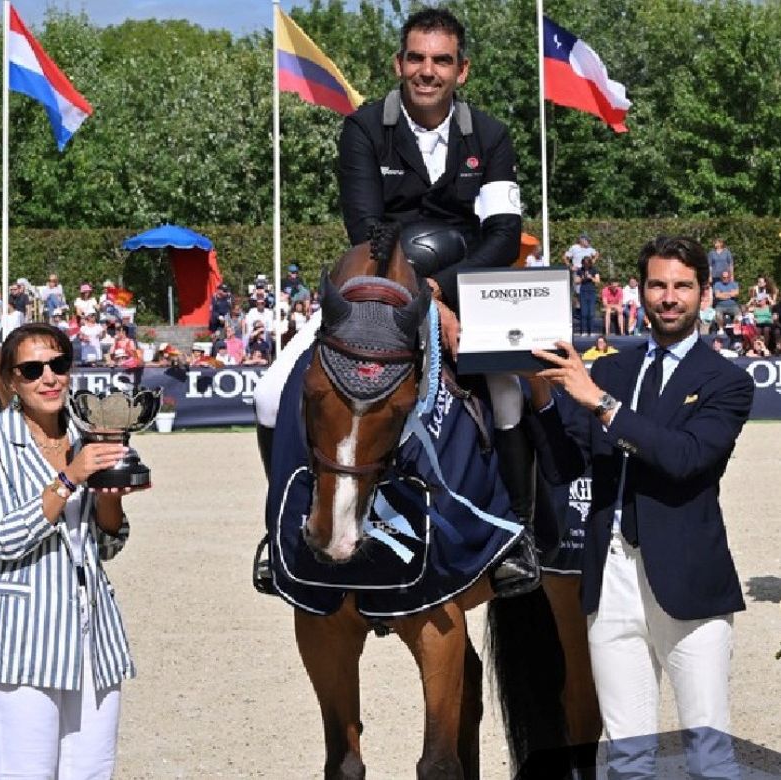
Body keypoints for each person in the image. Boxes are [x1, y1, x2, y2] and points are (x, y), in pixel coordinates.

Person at [257, 7, 536, 596]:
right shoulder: (364, 128)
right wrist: (420, 295)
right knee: (265, 395)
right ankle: (280, 527)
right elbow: (366, 231)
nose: (426, 71)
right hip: (379, 289)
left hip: (465, 280)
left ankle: (517, 535)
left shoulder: (490, 135)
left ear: (462, 70)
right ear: (399, 63)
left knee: (510, 392)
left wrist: (445, 291)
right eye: (416, 58)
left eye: (441, 60)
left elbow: (504, 235)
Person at [528, 235, 752, 778]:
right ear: (640, 291)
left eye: (681, 286)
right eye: (657, 285)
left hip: (686, 577)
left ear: (705, 293)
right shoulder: (609, 371)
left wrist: (601, 406)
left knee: (708, 754)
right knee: (627, 756)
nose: (668, 297)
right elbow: (562, 469)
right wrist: (538, 394)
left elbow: (686, 458)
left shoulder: (727, 381)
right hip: (610, 579)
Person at [0, 323, 142, 779]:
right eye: (32, 368)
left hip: (92, 638)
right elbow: (2, 537)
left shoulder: (88, 434)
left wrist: (110, 494)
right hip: (23, 640)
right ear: (10, 381)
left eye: (59, 364)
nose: (49, 377)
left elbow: (108, 544)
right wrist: (70, 478)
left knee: (91, 774)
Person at [576, 255, 601, 336]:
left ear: (590, 263)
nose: (586, 265)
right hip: (583, 291)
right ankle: (583, 331)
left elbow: (598, 281)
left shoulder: (594, 270)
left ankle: (591, 331)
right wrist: (582, 279)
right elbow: (576, 281)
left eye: (587, 263)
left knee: (591, 313)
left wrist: (591, 278)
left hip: (591, 291)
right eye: (584, 263)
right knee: (583, 312)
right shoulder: (580, 270)